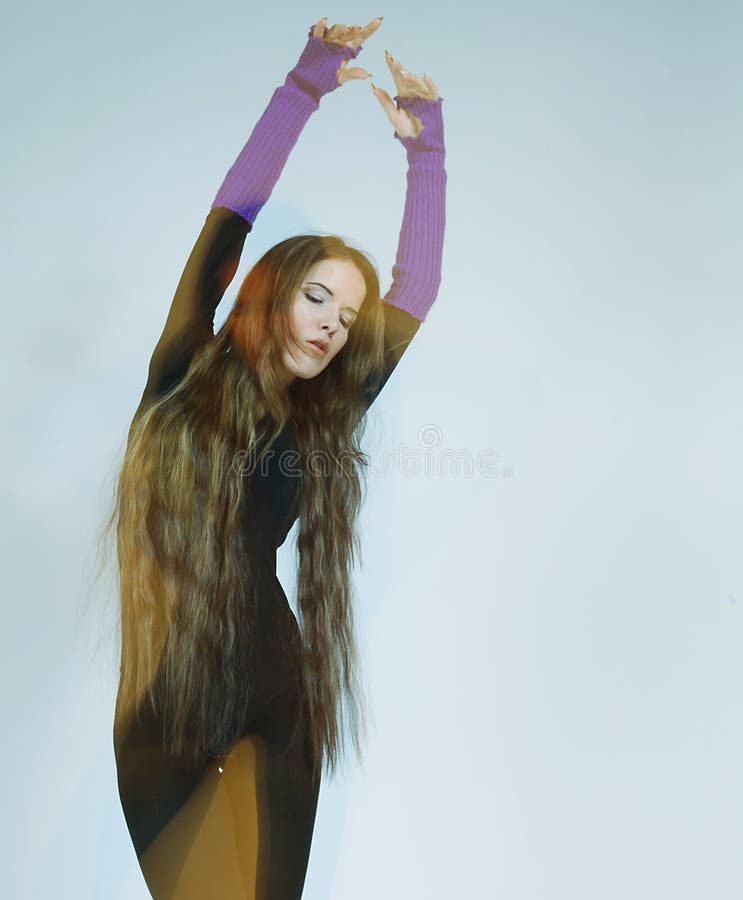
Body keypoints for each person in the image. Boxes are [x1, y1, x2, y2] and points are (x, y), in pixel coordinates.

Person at [108, 15, 446, 900]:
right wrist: (305, 85)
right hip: (160, 716)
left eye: (346, 314)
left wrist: (426, 154)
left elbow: (413, 294)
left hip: (272, 708)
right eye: (317, 296)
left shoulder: (316, 428)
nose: (334, 322)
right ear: (270, 293)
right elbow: (227, 224)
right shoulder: (181, 377)